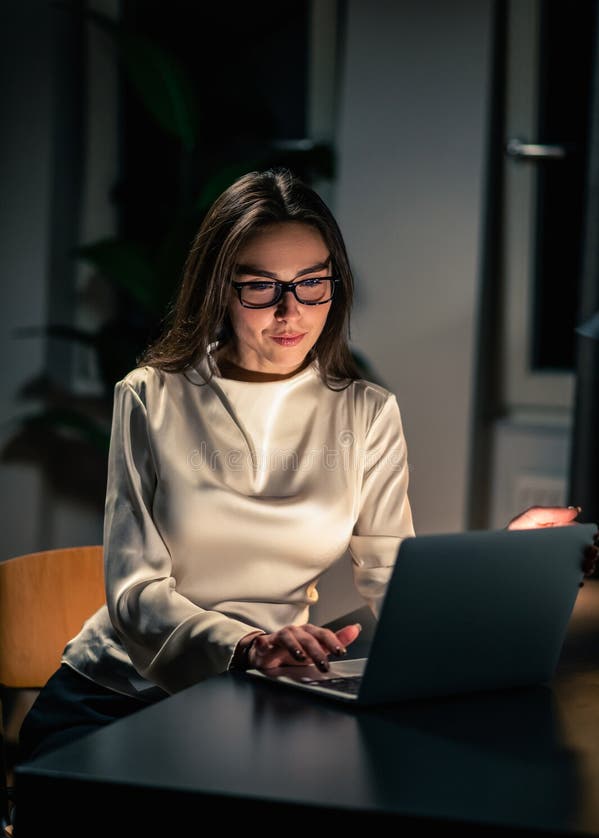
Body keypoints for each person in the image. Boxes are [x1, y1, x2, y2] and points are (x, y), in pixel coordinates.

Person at [18, 167, 597, 763]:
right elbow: (136, 593)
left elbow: (392, 578)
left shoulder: (367, 412)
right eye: (261, 287)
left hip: (264, 693)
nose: (291, 311)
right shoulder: (151, 396)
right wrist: (246, 644)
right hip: (117, 698)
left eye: (312, 284)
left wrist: (505, 564)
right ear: (220, 289)